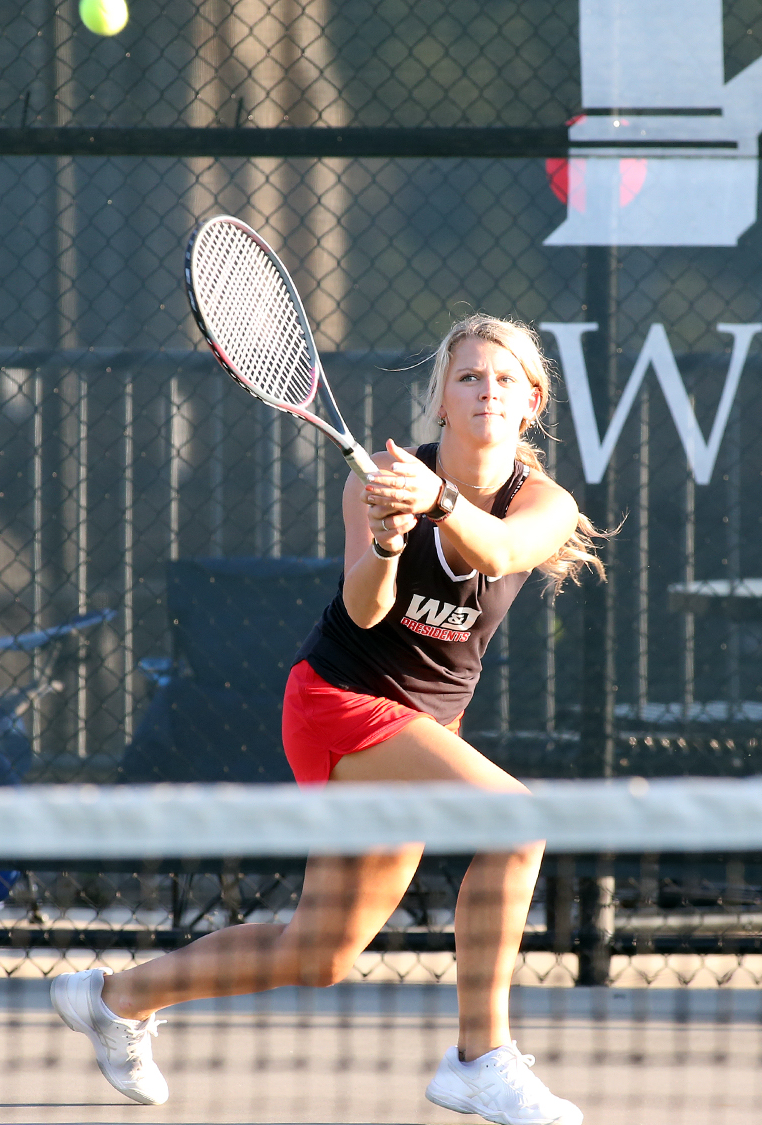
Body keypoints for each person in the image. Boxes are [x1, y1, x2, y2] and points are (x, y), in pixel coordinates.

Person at [49, 313, 606, 1125]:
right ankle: (480, 1058)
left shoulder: (543, 502)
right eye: (468, 377)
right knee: (516, 823)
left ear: (531, 405)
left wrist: (440, 503)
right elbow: (365, 609)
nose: (487, 390)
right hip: (337, 701)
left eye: (505, 380)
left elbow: (499, 553)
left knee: (317, 955)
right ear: (441, 404)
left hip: (424, 727)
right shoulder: (377, 481)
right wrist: (385, 543)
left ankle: (114, 998)